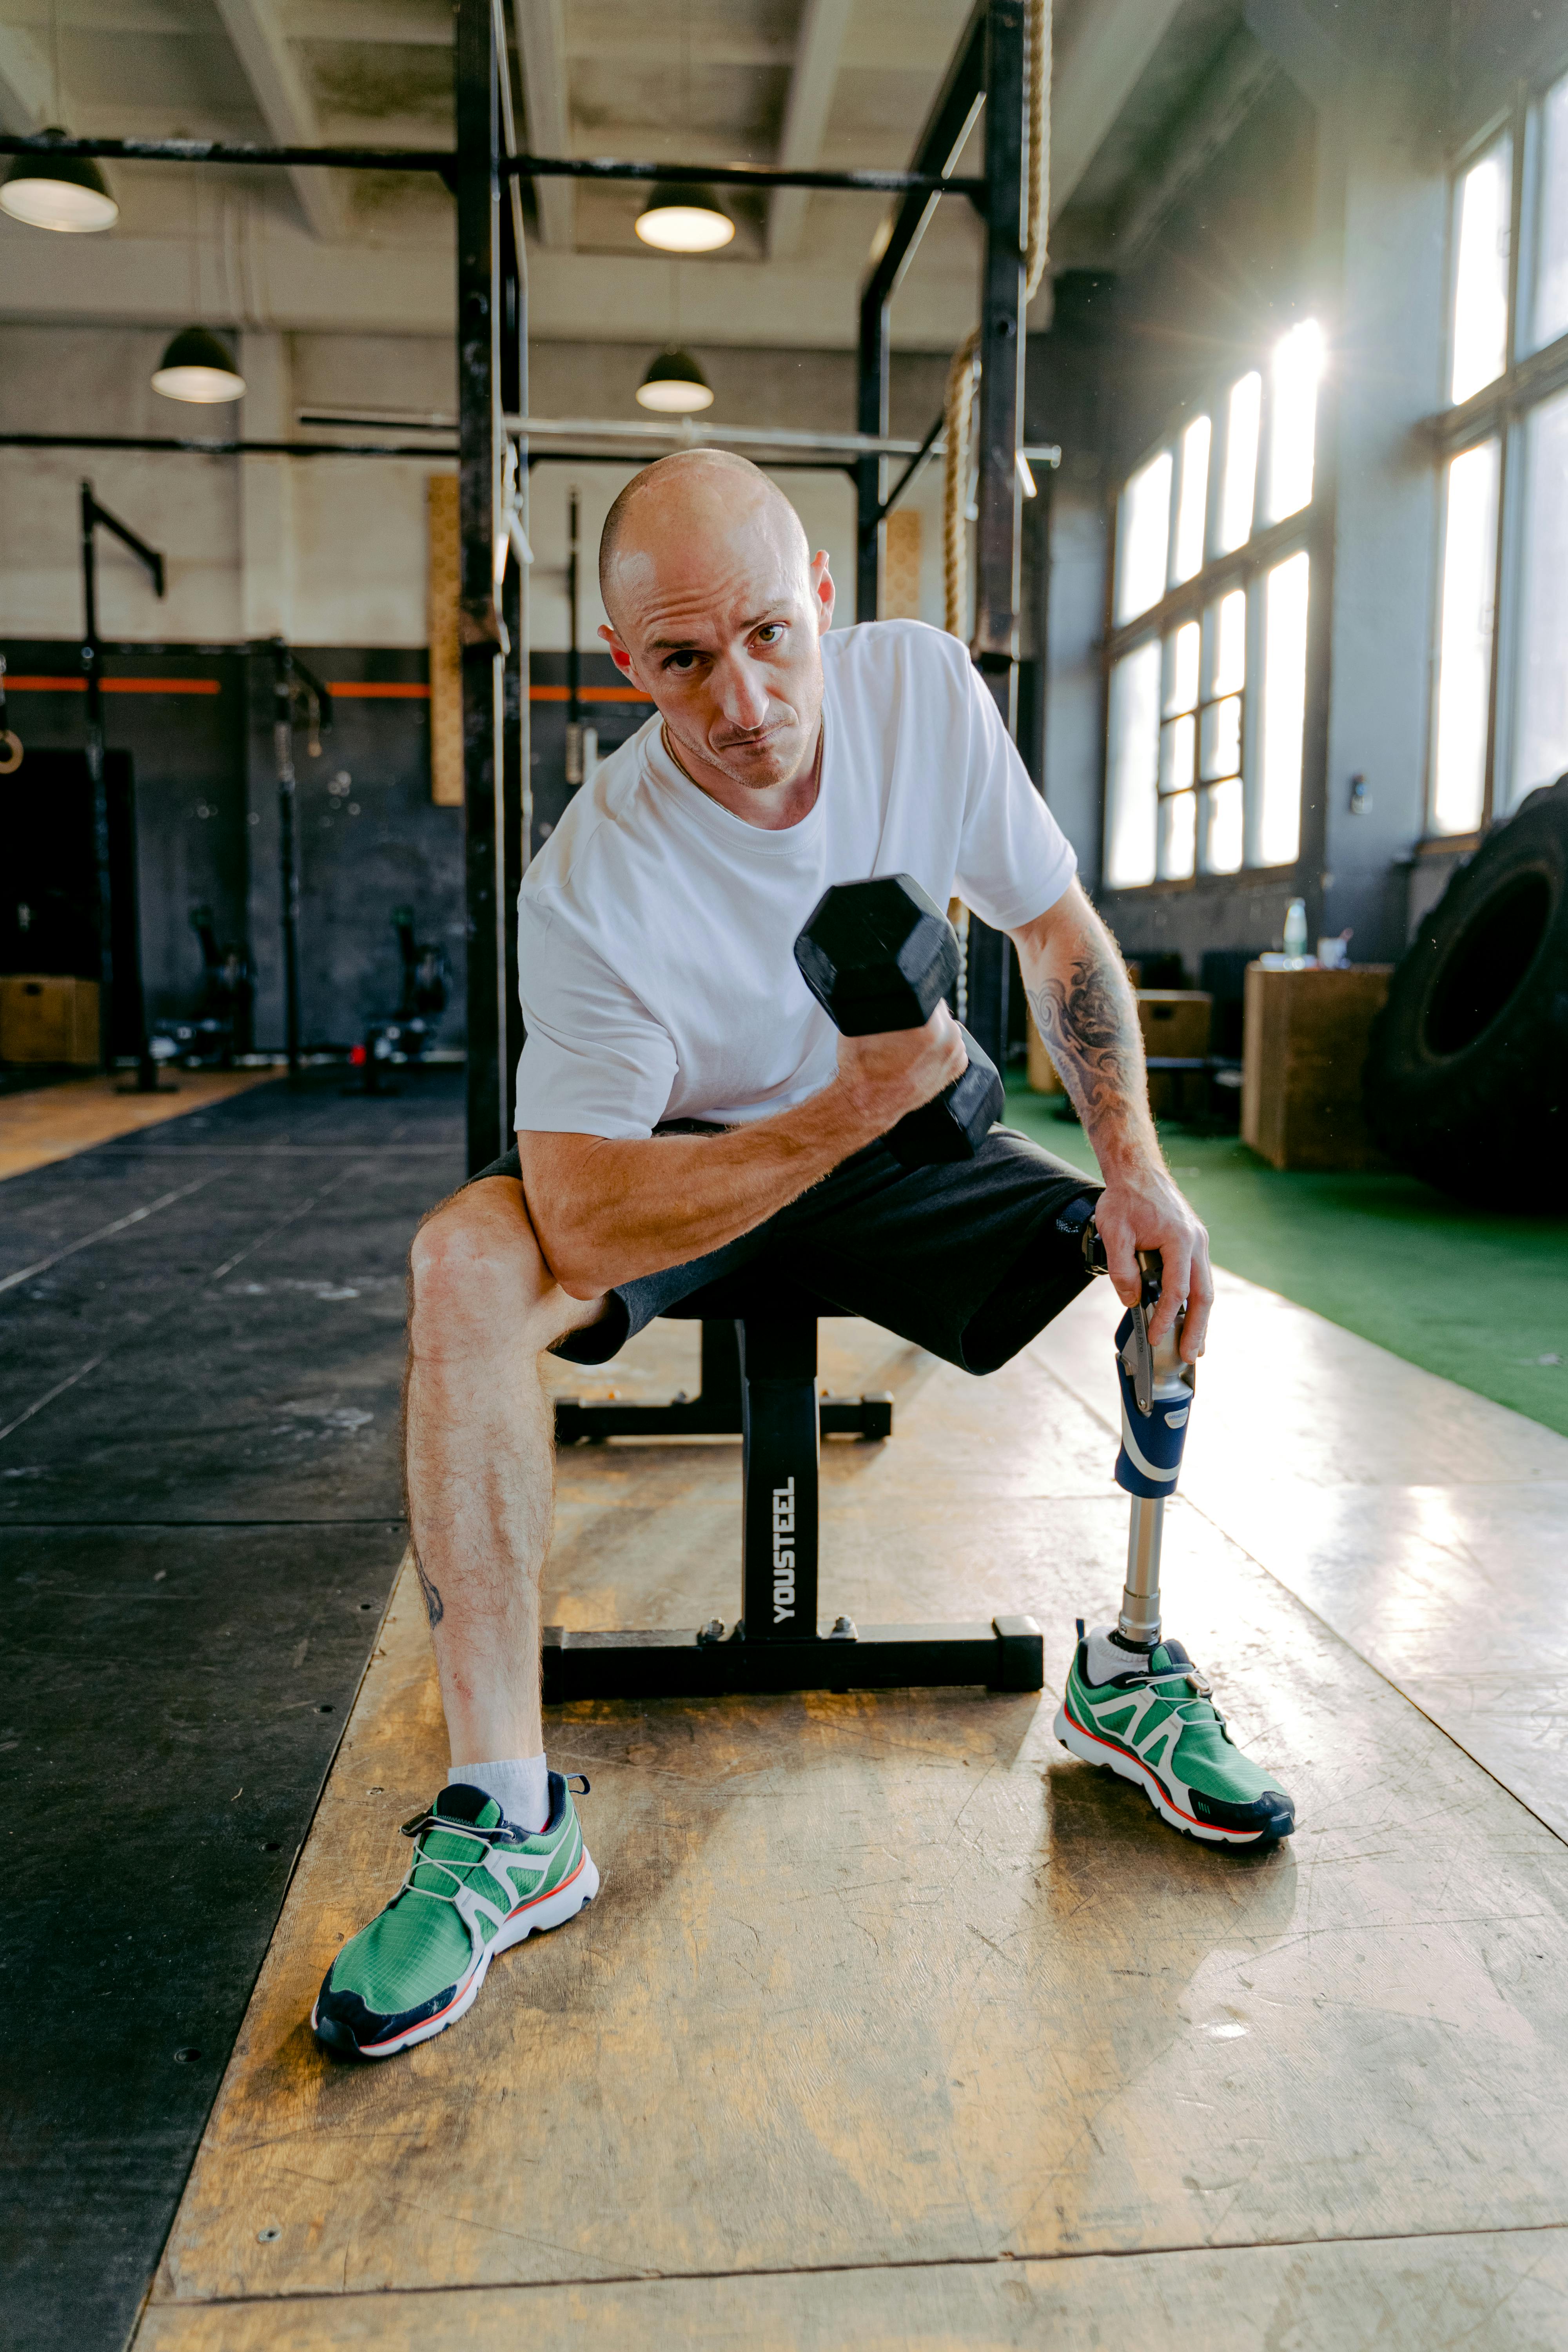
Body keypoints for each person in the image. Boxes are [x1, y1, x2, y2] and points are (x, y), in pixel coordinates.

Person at [311, 452, 1294, 2062]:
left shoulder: (917, 692)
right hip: (694, 1164)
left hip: (899, 1137)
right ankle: (507, 1819)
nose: (746, 698)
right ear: (629, 667)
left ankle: (1124, 1663)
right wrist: (840, 1109)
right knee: (466, 1266)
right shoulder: (595, 881)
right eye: (685, 661)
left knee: (1163, 1254)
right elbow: (580, 1219)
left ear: (824, 600)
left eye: (771, 633)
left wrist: (1134, 1169)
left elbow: (1051, 929)